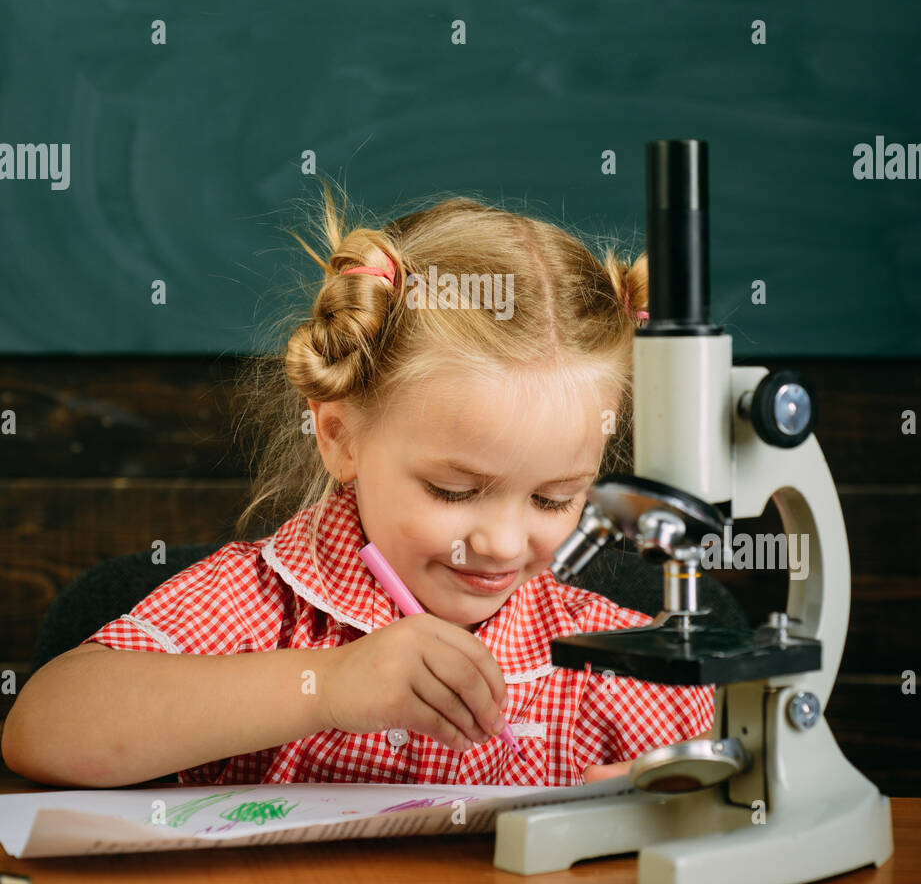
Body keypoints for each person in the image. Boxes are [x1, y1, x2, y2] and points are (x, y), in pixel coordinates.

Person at [1, 187, 713, 789]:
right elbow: (43, 730)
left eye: (554, 500)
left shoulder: (601, 657)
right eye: (454, 491)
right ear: (341, 438)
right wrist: (328, 684)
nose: (501, 542)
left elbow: (748, 782)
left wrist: (687, 792)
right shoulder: (256, 608)